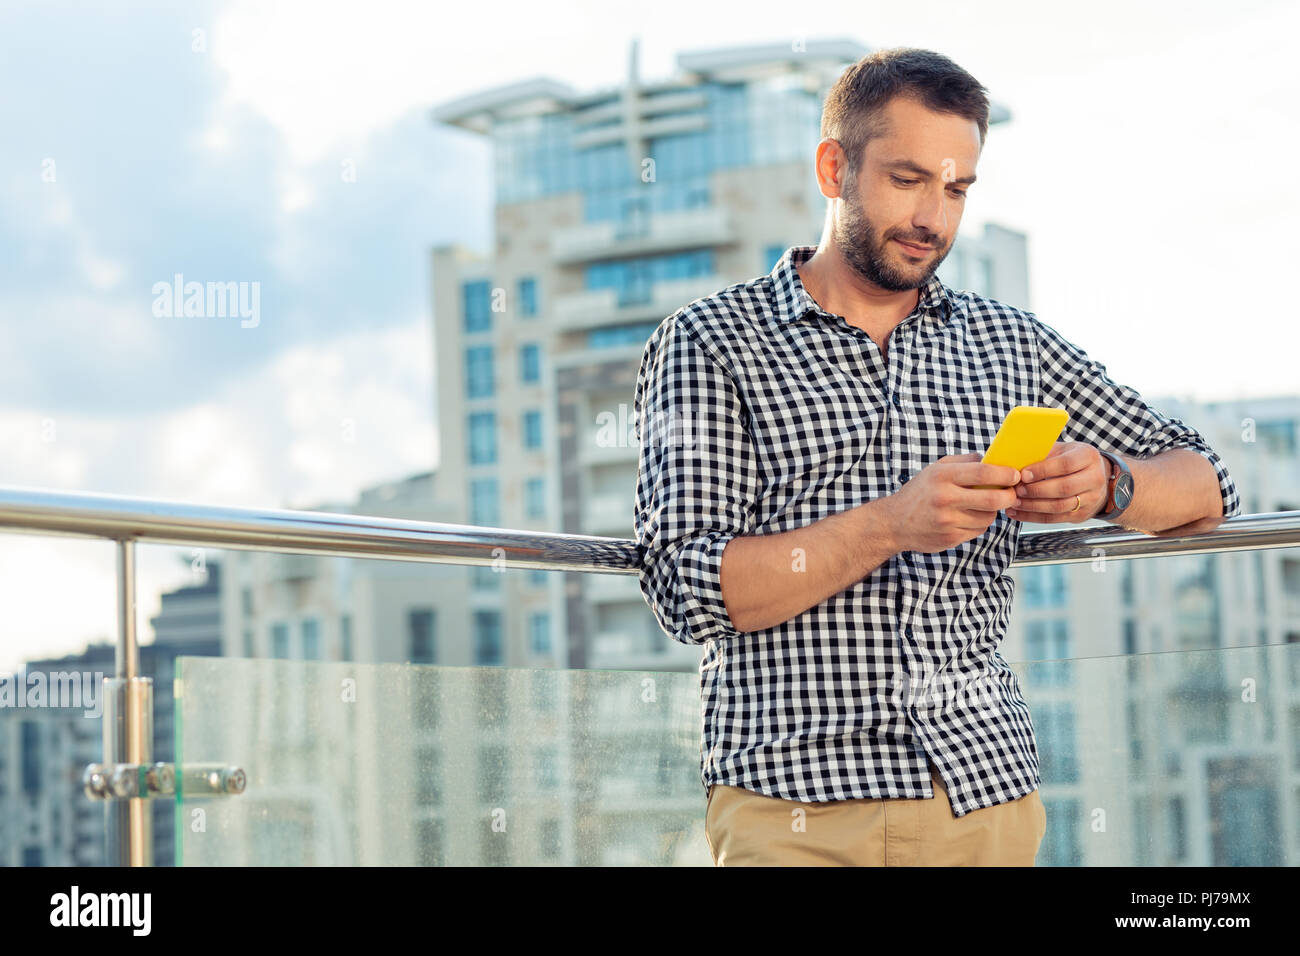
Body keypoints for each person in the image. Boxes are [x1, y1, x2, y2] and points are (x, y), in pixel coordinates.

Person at [632, 47, 1240, 866]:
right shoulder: (710, 342)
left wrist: (1109, 483)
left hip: (983, 797)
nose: (934, 218)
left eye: (956, 189)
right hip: (795, 808)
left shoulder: (1009, 342)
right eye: (908, 180)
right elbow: (686, 588)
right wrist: (890, 524)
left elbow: (1207, 482)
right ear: (833, 167)